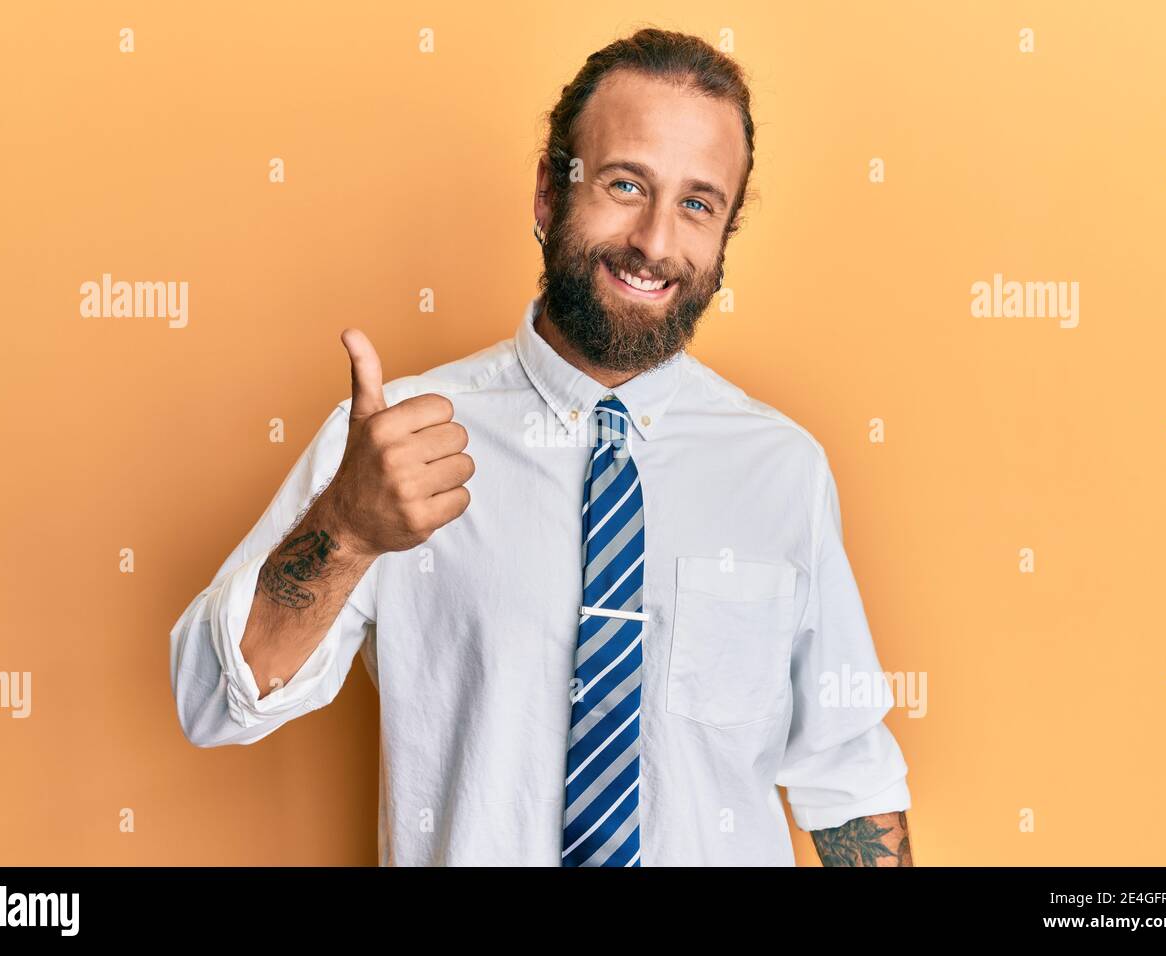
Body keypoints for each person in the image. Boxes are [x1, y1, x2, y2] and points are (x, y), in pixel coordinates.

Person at [169, 27, 913, 867]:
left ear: (725, 236)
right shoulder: (392, 440)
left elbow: (848, 777)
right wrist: (345, 530)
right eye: (626, 184)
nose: (656, 242)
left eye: (698, 204)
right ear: (548, 196)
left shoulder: (782, 470)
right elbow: (211, 703)